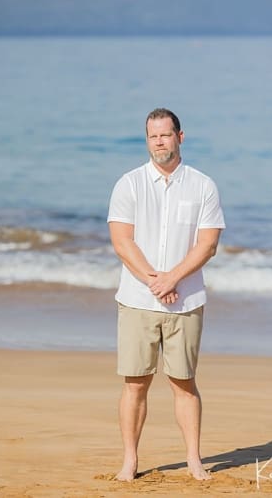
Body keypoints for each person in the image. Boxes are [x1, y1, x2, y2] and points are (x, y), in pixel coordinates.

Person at [107, 108, 225, 481]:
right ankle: (130, 460)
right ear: (147, 140)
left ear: (180, 137)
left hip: (186, 301)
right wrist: (154, 281)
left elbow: (207, 245)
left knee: (183, 382)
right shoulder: (129, 184)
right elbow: (122, 241)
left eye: (165, 135)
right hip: (137, 300)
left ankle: (193, 459)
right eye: (153, 136)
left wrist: (173, 279)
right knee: (135, 382)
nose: (159, 142)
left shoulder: (203, 185)